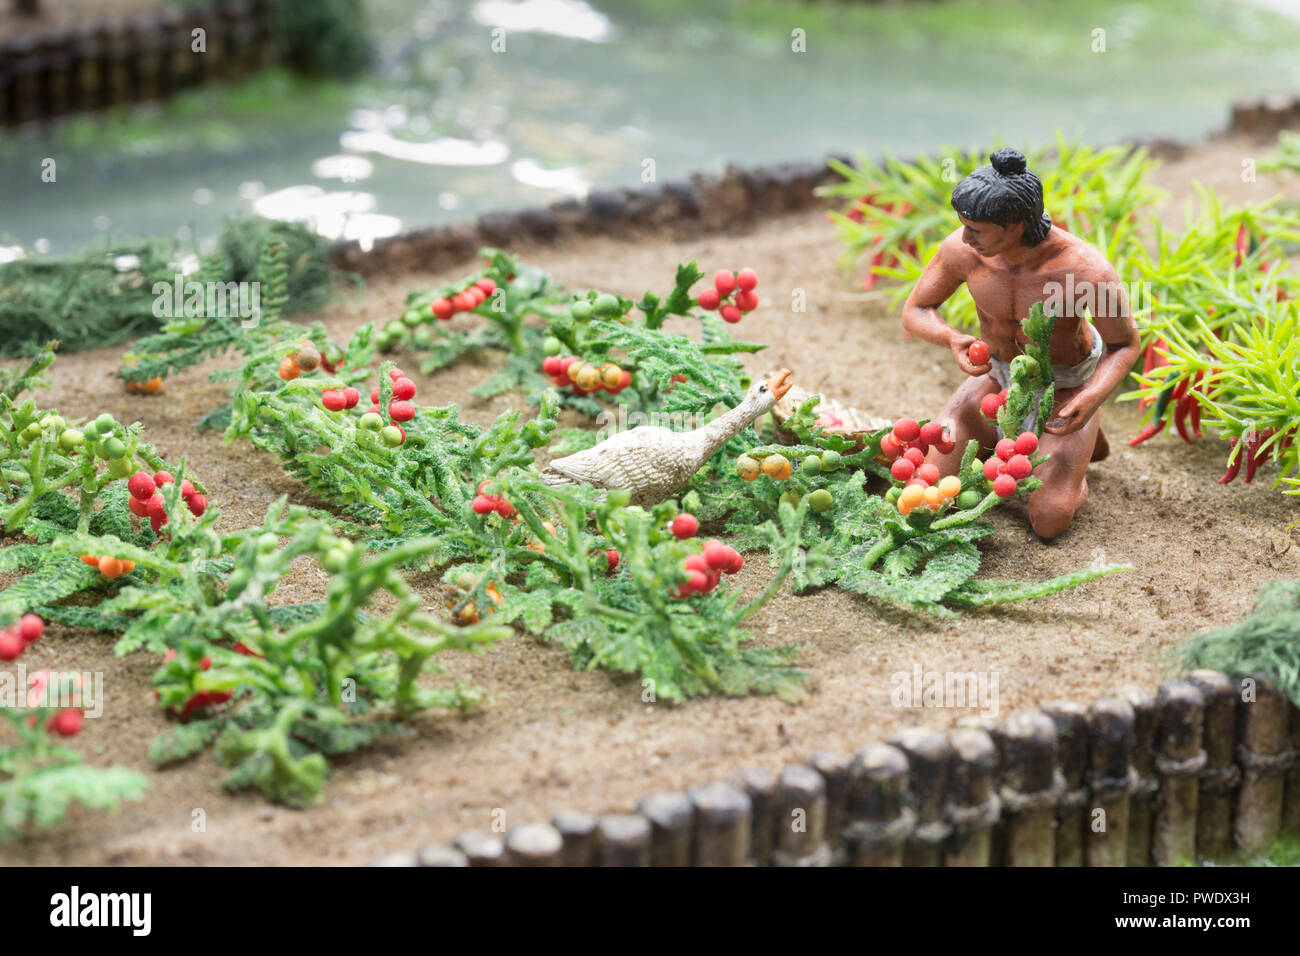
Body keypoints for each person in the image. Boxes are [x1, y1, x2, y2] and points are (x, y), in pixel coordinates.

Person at [901, 147, 1141, 540]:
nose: (964, 237)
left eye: (975, 229)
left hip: (1066, 384)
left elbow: (1125, 345)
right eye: (962, 225)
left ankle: (1074, 460)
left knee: (1049, 519)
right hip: (998, 375)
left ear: (1014, 224)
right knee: (926, 495)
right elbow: (917, 309)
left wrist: (1092, 394)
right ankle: (1014, 441)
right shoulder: (964, 252)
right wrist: (950, 337)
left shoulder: (1085, 271)